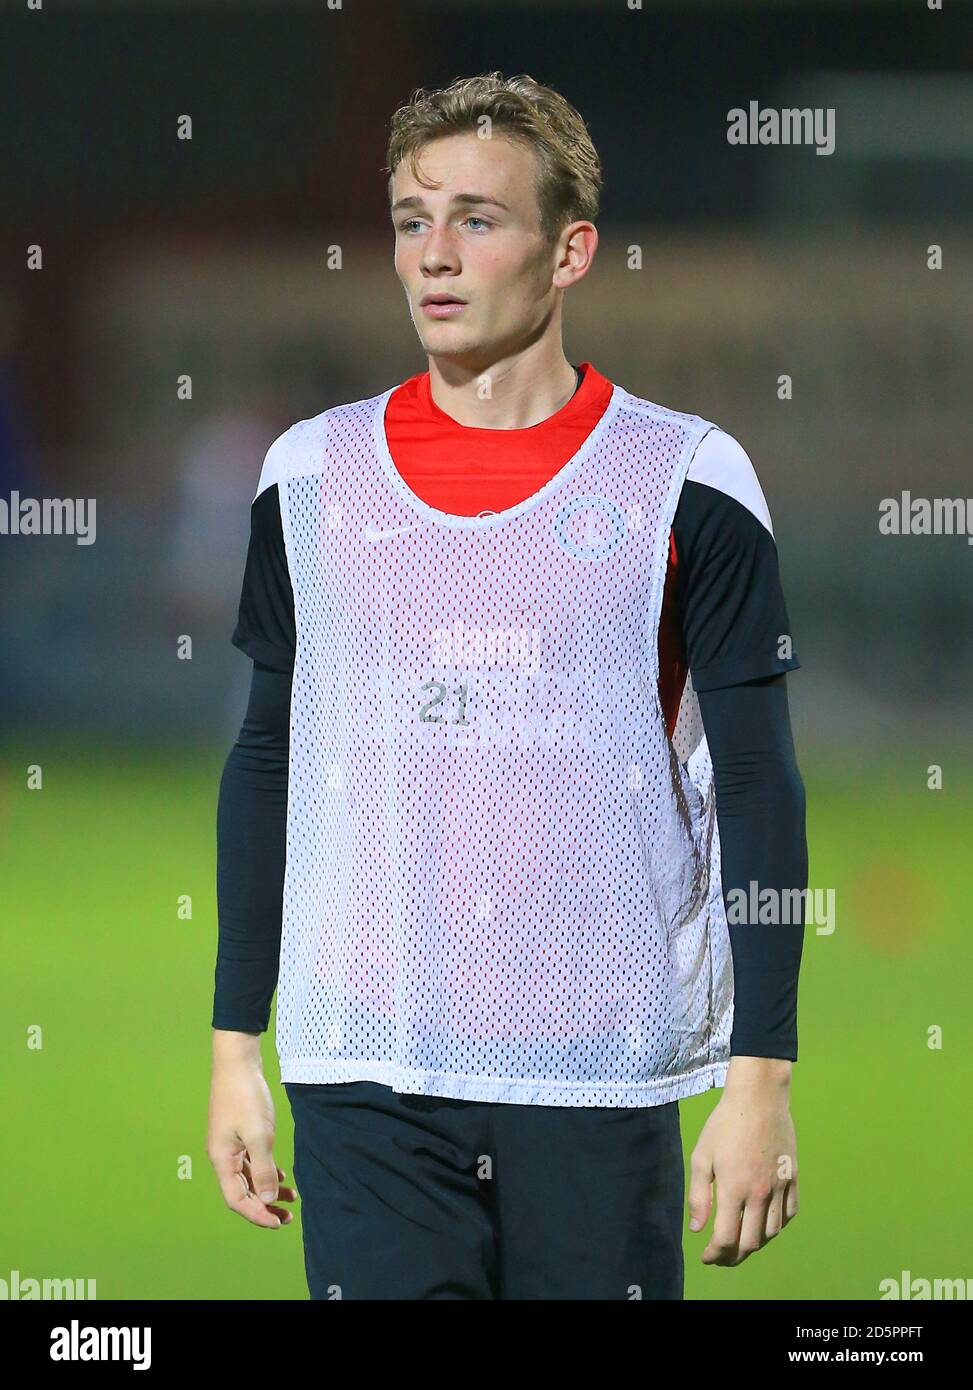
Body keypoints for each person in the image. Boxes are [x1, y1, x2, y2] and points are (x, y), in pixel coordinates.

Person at [207, 71, 807, 1301]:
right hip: (367, 1071)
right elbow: (268, 757)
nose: (434, 254)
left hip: (595, 1067)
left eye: (477, 219)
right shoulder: (307, 479)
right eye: (410, 220)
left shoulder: (687, 481)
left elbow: (755, 781)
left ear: (570, 249)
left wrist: (761, 1080)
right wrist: (234, 1046)